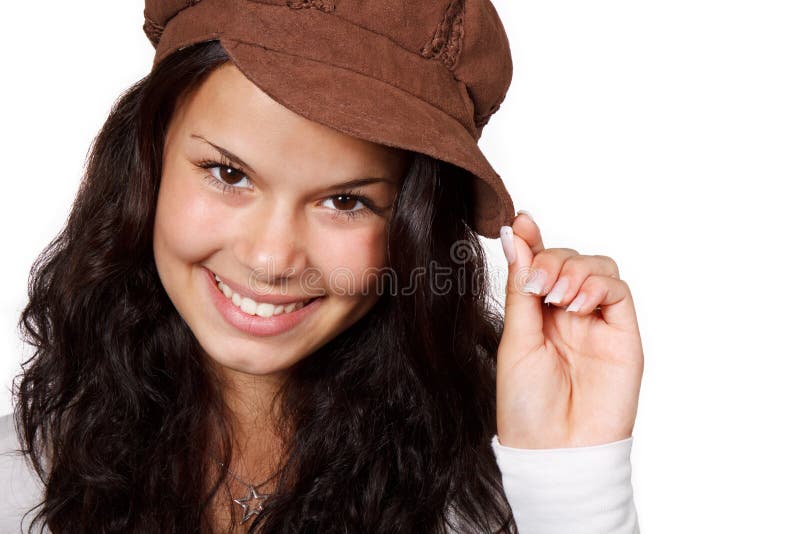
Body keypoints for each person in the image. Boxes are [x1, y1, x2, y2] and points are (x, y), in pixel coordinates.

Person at [0, 1, 643, 532]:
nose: (270, 258)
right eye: (228, 174)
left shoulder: (501, 496)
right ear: (147, 161)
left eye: (346, 201)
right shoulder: (18, 479)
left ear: (413, 231)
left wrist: (573, 486)